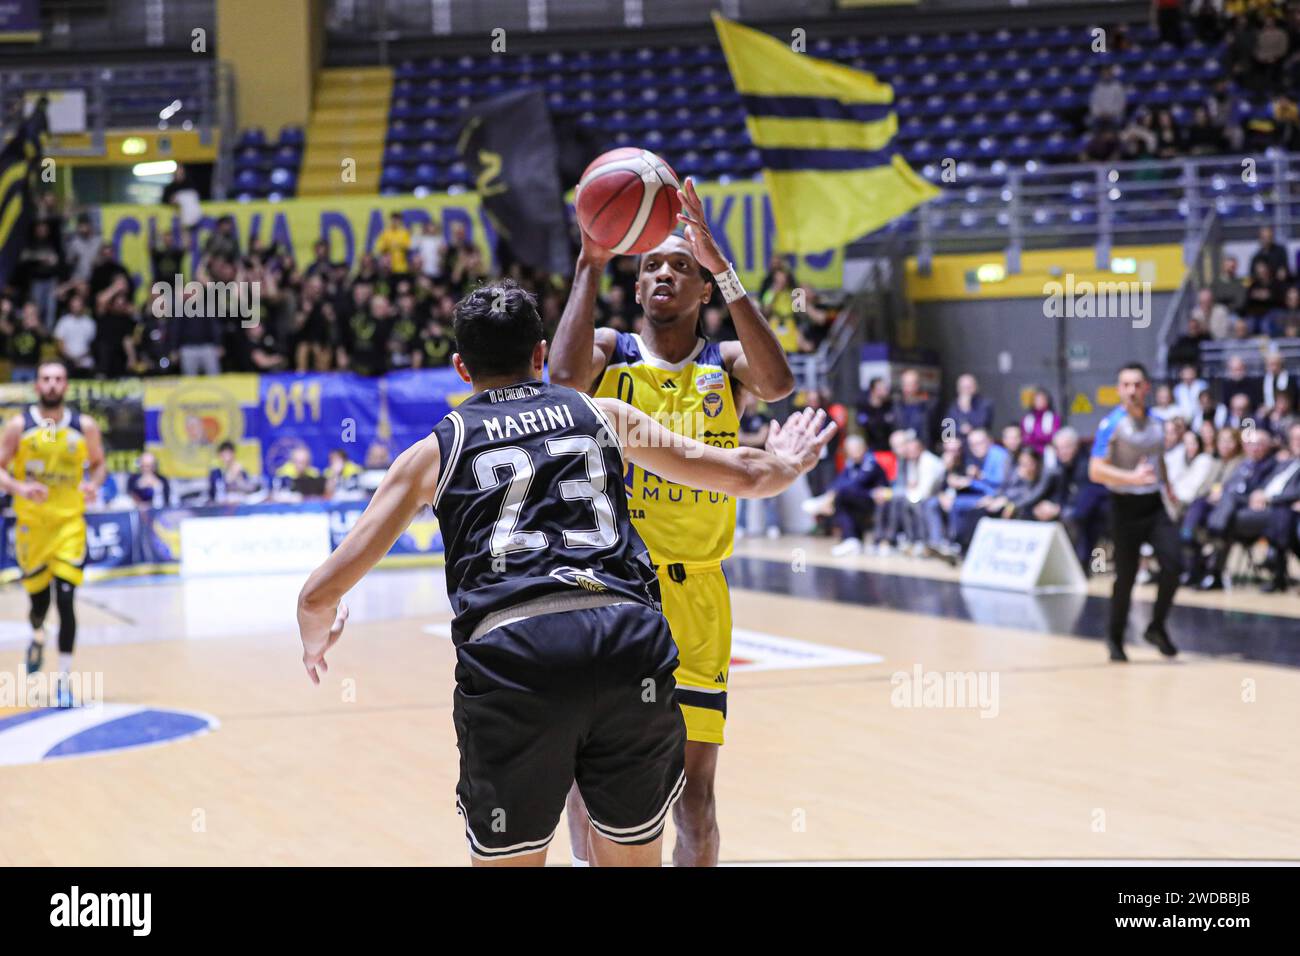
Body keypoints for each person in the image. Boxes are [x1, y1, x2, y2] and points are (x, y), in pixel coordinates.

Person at [295, 281, 833, 866]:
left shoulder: (434, 452)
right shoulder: (602, 415)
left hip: (515, 652)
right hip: (627, 641)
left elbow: (318, 593)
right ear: (540, 355)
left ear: (460, 367)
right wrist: (791, 461)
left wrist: (317, 638)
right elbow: (746, 474)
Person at [548, 176, 795, 868]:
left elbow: (780, 385)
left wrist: (728, 268)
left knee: (695, 797)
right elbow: (561, 385)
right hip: (611, 590)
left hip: (697, 599)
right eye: (651, 264)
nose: (663, 273)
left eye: (680, 266)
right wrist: (589, 263)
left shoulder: (727, 365)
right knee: (589, 777)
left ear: (702, 289)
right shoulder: (610, 352)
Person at [0, 360, 106, 707]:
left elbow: (99, 464)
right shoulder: (19, 426)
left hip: (68, 525)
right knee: (39, 606)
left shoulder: (83, 426)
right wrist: (18, 487)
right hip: (32, 528)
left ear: (66, 386)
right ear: (36, 386)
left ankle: (64, 679)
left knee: (66, 600)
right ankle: (36, 636)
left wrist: (93, 484)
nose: (51, 384)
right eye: (45, 379)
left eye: (58, 379)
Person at [1088, 363, 1180, 662]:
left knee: (1175, 563)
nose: (1131, 390)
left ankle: (1156, 626)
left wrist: (1168, 487)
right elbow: (1095, 470)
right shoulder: (1111, 424)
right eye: (1125, 385)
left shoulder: (1157, 422)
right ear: (1119, 390)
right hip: (1124, 506)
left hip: (1153, 503)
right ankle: (1114, 638)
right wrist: (1131, 478)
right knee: (1125, 577)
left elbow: (1158, 459)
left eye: (1136, 384)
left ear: (1146, 388)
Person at [824, 435, 889, 557]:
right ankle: (852, 539)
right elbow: (839, 481)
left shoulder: (871, 462)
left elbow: (858, 482)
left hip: (876, 500)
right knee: (841, 497)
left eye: (856, 448)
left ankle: (851, 539)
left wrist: (834, 493)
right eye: (850, 449)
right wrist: (831, 492)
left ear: (864, 448)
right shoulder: (850, 464)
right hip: (860, 498)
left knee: (842, 494)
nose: (853, 452)